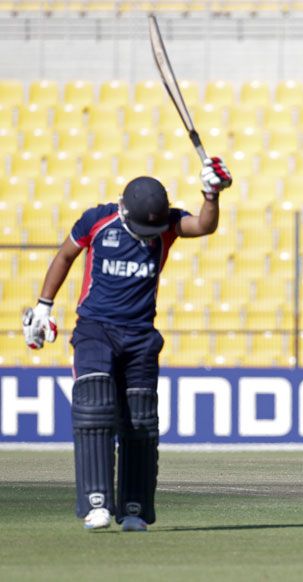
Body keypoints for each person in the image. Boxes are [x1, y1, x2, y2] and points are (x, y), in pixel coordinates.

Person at [22, 157, 233, 531]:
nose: (147, 236)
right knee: (96, 409)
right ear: (123, 209)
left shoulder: (165, 224)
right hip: (95, 329)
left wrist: (211, 194)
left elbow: (203, 224)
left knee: (140, 421)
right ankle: (96, 504)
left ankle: (134, 509)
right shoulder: (98, 220)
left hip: (140, 334)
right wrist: (44, 306)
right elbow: (66, 255)